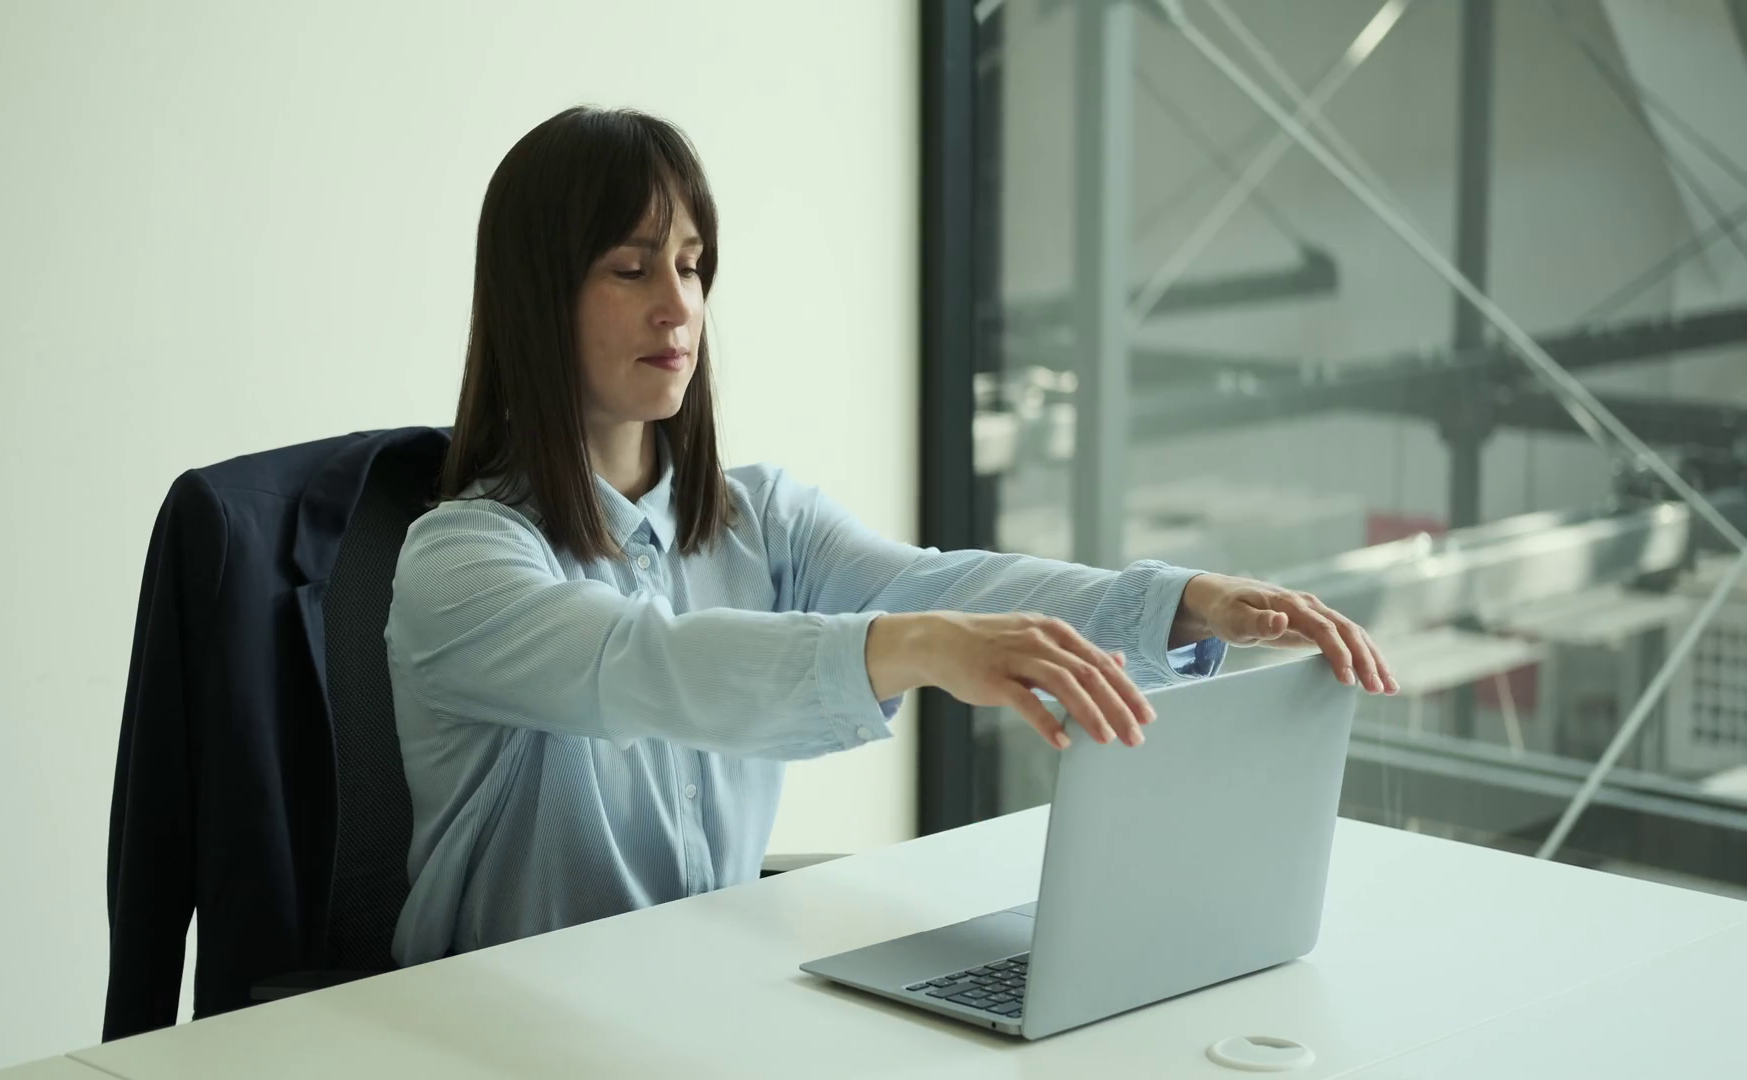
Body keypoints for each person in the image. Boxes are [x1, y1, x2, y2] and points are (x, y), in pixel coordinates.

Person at [386, 106, 1398, 967]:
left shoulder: (757, 516)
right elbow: (645, 666)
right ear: (537, 298)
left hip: (699, 998)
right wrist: (916, 646)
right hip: (502, 1026)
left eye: (694, 268)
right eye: (631, 268)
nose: (678, 306)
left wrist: (1179, 604)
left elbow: (938, 582)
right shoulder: (462, 564)